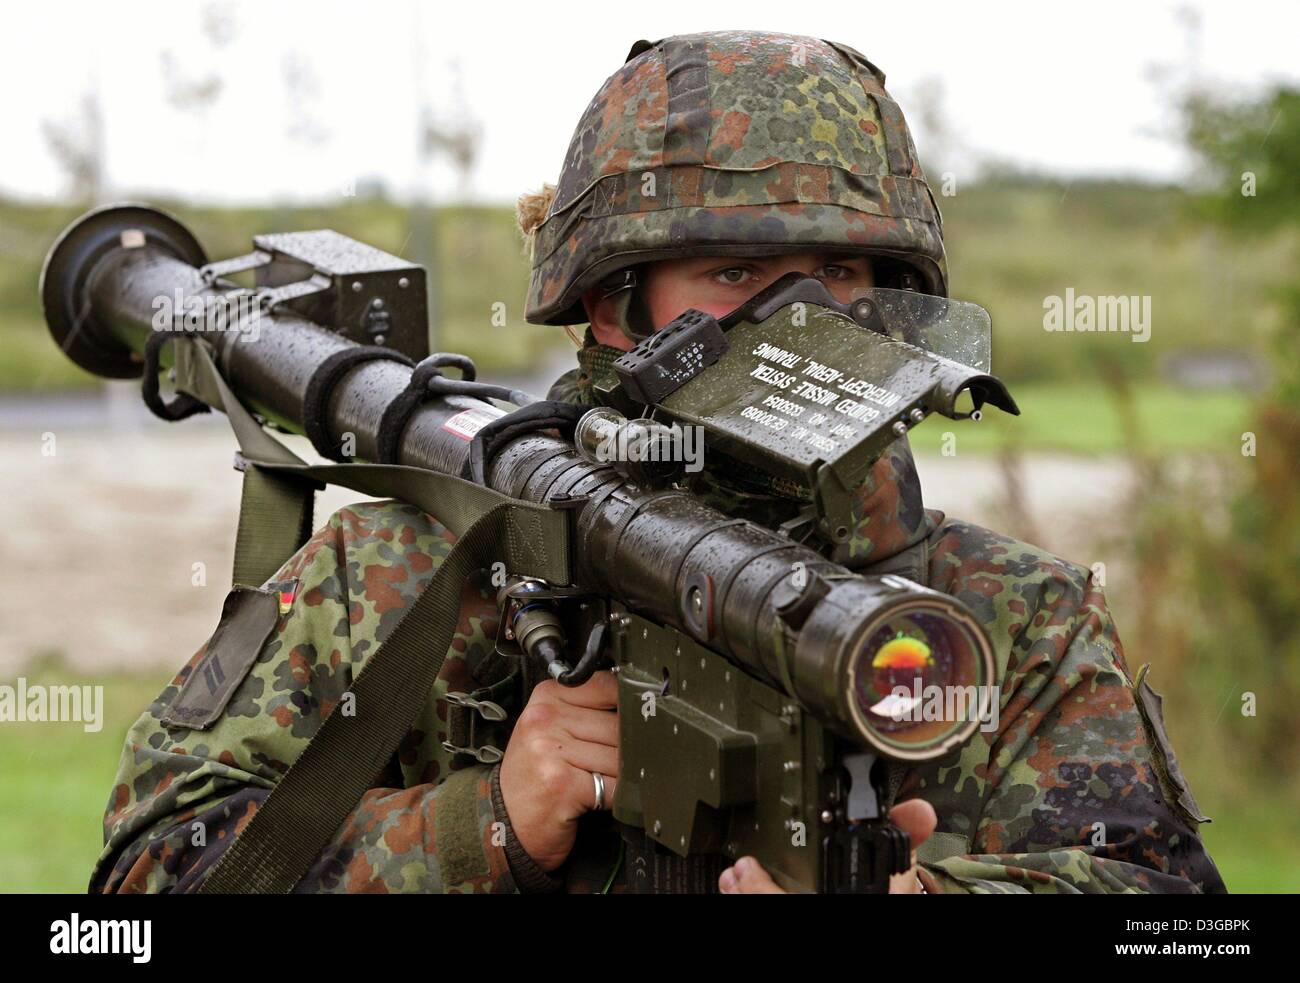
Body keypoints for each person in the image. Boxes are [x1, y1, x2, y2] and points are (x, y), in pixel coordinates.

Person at [90, 30, 1225, 894]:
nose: (799, 317)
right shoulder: (400, 574)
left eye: (839, 275)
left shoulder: (1009, 619)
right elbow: (138, 884)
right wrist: (477, 823)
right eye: (734, 277)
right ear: (611, 298)